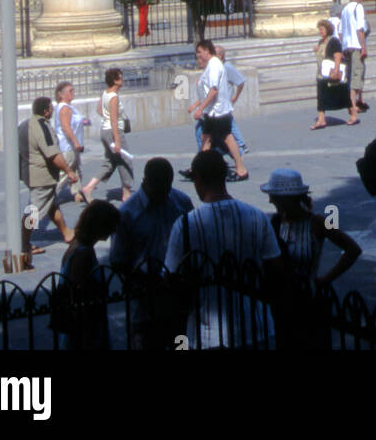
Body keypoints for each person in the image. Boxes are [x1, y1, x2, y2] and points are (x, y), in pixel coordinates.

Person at [164, 150, 283, 349]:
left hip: (209, 334)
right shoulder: (257, 216)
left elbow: (169, 277)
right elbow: (276, 268)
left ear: (199, 178)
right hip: (257, 325)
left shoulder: (186, 224)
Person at [261, 167, 362, 350]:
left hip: (308, 299)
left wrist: (326, 279)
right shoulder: (275, 222)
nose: (270, 200)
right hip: (282, 298)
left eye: (274, 196)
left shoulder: (317, 223)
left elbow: (352, 249)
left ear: (287, 199)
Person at [110, 157, 194, 349]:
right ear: (147, 182)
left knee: (179, 343)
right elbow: (118, 259)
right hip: (145, 300)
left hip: (176, 297)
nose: (164, 193)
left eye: (167, 187)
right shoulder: (128, 213)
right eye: (160, 187)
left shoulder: (181, 202)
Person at [54, 200, 121, 350]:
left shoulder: (78, 246)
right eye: (111, 225)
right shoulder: (83, 254)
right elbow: (80, 295)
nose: (113, 230)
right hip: (85, 328)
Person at [19, 95, 78, 266]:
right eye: (51, 108)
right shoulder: (43, 127)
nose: (53, 110)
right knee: (33, 211)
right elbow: (53, 154)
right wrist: (69, 171)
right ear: (46, 111)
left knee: (52, 205)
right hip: (41, 177)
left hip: (30, 174)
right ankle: (24, 247)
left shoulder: (24, 124)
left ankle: (66, 233)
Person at [188, 40, 249, 180]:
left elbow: (213, 90)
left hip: (219, 111)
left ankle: (241, 169)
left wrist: (200, 109)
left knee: (227, 138)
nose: (198, 56)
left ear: (207, 51)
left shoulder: (215, 65)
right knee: (206, 139)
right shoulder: (211, 65)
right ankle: (198, 169)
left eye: (199, 52)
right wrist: (200, 106)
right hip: (212, 111)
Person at [83, 67, 134, 202]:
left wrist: (106, 117)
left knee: (110, 162)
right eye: (120, 77)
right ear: (115, 81)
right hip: (113, 131)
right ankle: (126, 192)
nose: (122, 79)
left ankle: (89, 187)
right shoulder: (114, 97)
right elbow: (113, 119)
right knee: (125, 160)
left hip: (104, 131)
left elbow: (99, 109)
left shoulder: (105, 93)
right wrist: (117, 140)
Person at [312, 18, 352, 128]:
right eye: (319, 29)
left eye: (322, 29)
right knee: (321, 96)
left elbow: (337, 56)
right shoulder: (321, 42)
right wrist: (317, 49)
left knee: (343, 96)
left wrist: (336, 70)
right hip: (322, 75)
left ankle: (353, 113)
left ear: (328, 29)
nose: (320, 31)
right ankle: (321, 120)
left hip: (331, 73)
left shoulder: (334, 41)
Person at [53, 81, 88, 206]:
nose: (73, 93)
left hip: (72, 145)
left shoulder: (68, 107)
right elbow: (66, 127)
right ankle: (50, 196)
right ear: (61, 95)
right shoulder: (65, 108)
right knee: (65, 171)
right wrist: (75, 141)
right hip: (67, 146)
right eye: (70, 91)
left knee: (75, 168)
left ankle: (77, 192)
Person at [340, 0, 369, 117]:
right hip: (356, 45)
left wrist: (343, 46)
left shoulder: (345, 9)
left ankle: (354, 102)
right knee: (357, 75)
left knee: (352, 74)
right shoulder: (358, 7)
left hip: (347, 46)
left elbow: (340, 31)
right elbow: (360, 29)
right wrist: (363, 46)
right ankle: (353, 105)